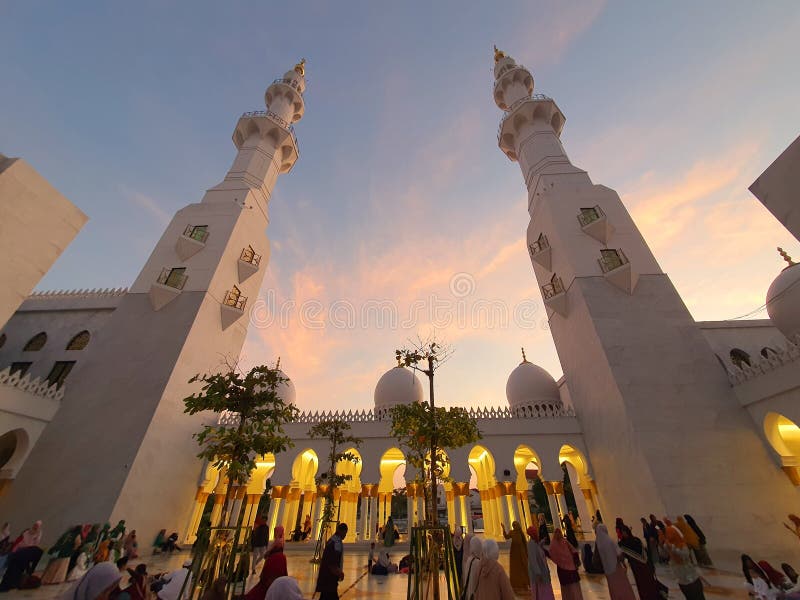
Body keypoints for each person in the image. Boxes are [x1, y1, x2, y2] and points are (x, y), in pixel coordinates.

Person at [619, 525, 664, 600]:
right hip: (636, 566)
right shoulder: (622, 543)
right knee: (641, 583)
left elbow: (645, 552)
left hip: (645, 565)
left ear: (628, 531)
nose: (624, 533)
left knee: (649, 581)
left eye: (625, 531)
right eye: (622, 532)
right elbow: (623, 555)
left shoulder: (636, 540)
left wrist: (650, 564)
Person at [664, 519, 704, 600]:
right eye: (667, 534)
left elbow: (684, 555)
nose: (668, 536)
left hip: (691, 579)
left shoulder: (681, 545)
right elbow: (665, 551)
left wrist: (672, 548)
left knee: (698, 597)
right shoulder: (668, 545)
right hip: (682, 581)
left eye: (670, 534)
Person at [244, 525, 287, 600]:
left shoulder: (277, 541)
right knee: (278, 580)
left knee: (266, 583)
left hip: (273, 561)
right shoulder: (283, 540)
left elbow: (268, 551)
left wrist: (266, 555)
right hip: (281, 561)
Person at [595, 524, 636, 600]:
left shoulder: (599, 544)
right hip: (616, 568)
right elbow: (619, 554)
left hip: (608, 571)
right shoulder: (610, 541)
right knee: (622, 587)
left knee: (614, 588)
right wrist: (624, 563)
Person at [545, 529, 583, 600]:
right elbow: (574, 551)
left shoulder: (554, 544)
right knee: (574, 587)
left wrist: (544, 551)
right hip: (571, 568)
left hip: (563, 570)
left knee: (567, 588)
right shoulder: (564, 542)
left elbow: (551, 554)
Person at [315, 523, 347, 600]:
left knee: (325, 596)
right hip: (330, 577)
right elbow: (333, 561)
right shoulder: (337, 543)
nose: (345, 535)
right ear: (341, 531)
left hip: (325, 575)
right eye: (345, 533)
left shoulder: (332, 539)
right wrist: (339, 572)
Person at [501, 520, 530, 595]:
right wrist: (503, 529)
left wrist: (526, 553)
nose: (514, 526)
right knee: (516, 569)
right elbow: (506, 537)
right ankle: (516, 584)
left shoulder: (521, 533)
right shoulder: (512, 532)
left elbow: (524, 543)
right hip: (514, 554)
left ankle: (525, 584)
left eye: (515, 525)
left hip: (521, 553)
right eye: (513, 525)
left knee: (523, 568)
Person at [527, 525, 555, 600]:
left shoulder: (535, 542)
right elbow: (533, 560)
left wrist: (541, 542)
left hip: (542, 571)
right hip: (539, 574)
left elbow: (538, 548)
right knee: (541, 591)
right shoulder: (531, 544)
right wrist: (538, 572)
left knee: (545, 589)